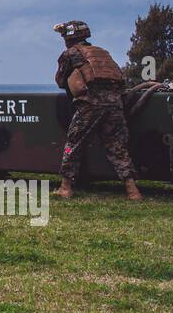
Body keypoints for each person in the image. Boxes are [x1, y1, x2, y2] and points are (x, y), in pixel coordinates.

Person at [52, 20, 143, 200]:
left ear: (69, 38)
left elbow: (61, 81)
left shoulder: (71, 54)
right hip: (115, 104)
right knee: (117, 147)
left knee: (74, 144)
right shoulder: (102, 53)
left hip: (90, 104)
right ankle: (133, 191)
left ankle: (65, 187)